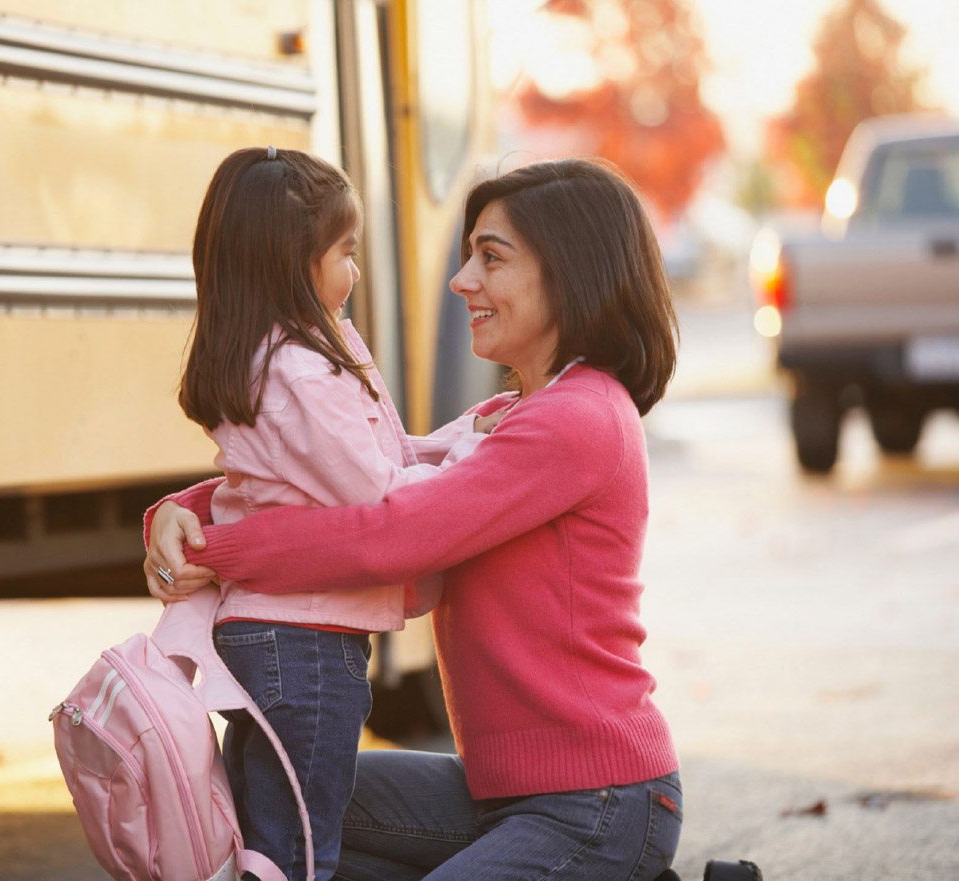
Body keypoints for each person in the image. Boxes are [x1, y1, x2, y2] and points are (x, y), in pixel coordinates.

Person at [146, 157, 683, 881]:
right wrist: (182, 510)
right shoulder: (507, 415)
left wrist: (220, 549)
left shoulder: (576, 421)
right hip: (499, 791)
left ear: (570, 271)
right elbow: (357, 472)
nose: (462, 281)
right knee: (266, 801)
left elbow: (389, 531)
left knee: (296, 814)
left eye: (489, 259)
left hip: (598, 801)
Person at [159, 145, 490, 881]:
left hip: (275, 637)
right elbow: (380, 496)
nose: (356, 271)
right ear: (291, 260)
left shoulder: (283, 355)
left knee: (264, 836)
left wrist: (468, 438)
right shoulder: (300, 371)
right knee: (299, 853)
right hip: (305, 643)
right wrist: (476, 463)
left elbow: (383, 458)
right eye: (345, 251)